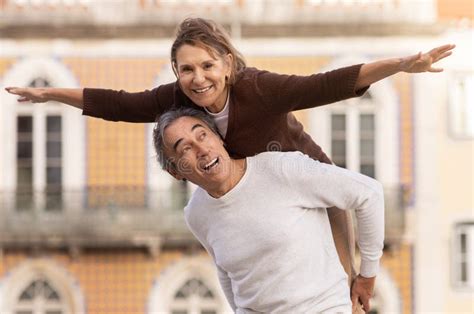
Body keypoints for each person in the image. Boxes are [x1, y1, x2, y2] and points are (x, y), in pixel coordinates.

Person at [4, 17, 454, 307]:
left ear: (227, 63)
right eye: (186, 69)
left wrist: (399, 65)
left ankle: (353, 292)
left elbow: (324, 85)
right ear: (177, 73)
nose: (198, 79)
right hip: (251, 187)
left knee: (340, 248)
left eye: (206, 66)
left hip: (299, 167)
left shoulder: (257, 87)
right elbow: (119, 103)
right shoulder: (178, 100)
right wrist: (50, 95)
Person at [153, 107, 385, 313]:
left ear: (219, 138)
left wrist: (367, 276)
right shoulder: (196, 213)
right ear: (176, 172)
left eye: (203, 135)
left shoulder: (282, 169)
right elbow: (227, 272)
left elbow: (369, 194)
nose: (201, 149)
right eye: (185, 149)